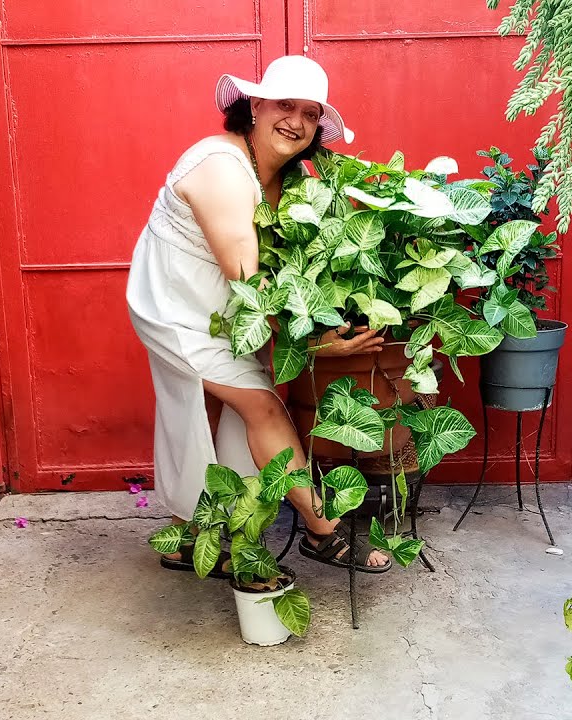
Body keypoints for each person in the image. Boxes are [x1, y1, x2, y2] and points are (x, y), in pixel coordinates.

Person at [126, 56, 392, 576]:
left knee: (209, 414)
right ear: (254, 105)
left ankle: (192, 538)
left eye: (310, 114)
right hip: (176, 306)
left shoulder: (287, 179)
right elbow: (252, 282)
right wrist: (318, 346)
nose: (296, 121)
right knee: (261, 407)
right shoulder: (222, 168)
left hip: (220, 310)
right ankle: (324, 532)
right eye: (284, 106)